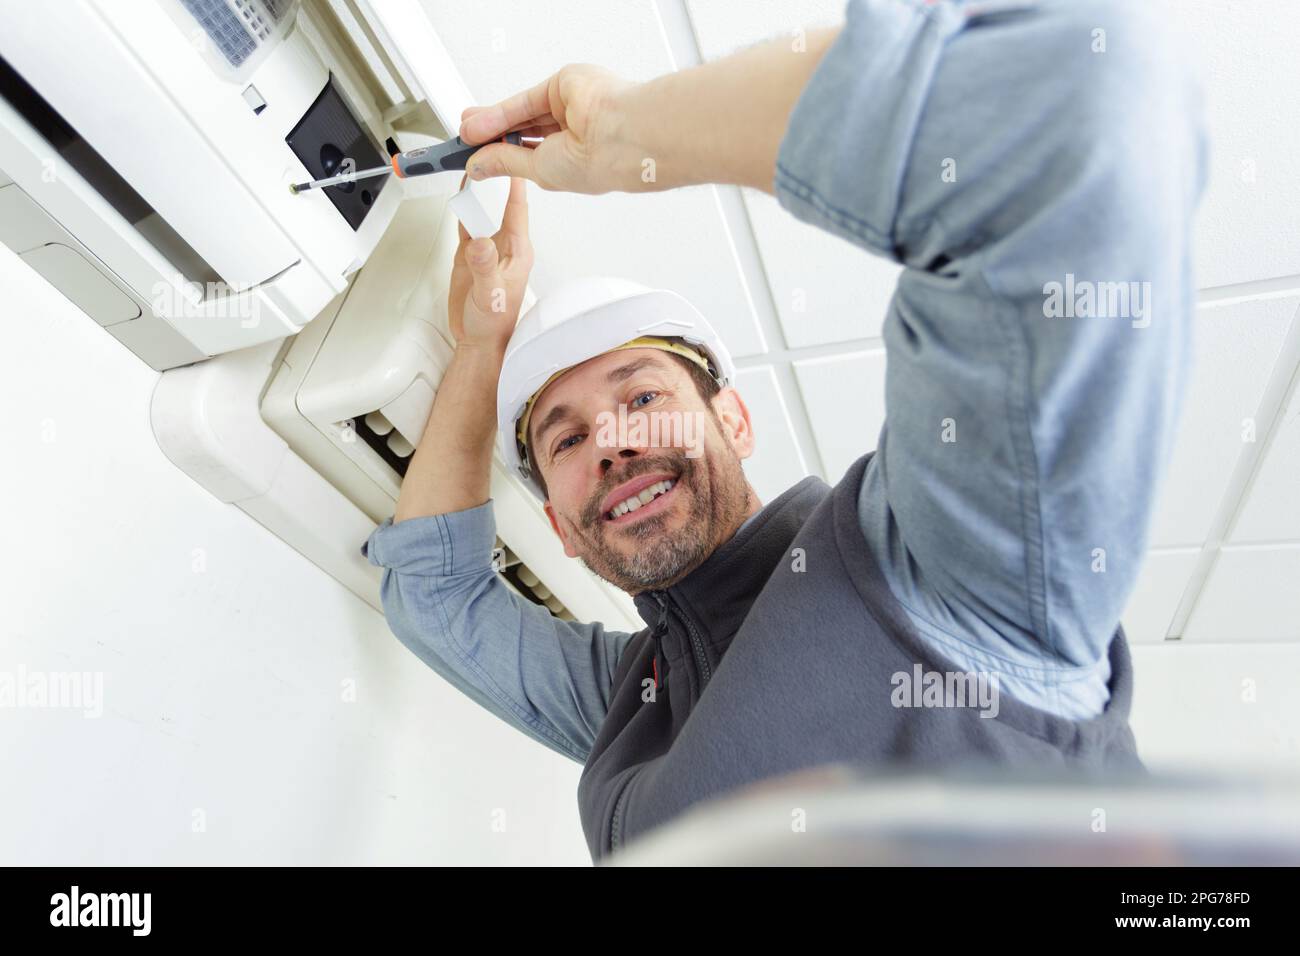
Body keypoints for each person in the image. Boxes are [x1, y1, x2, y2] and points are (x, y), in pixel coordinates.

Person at [361, 0, 1207, 861]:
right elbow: (435, 598)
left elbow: (1070, 107)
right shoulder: (632, 705)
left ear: (733, 418)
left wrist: (626, 134)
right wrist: (484, 343)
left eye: (642, 398)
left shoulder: (927, 566)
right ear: (560, 532)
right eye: (566, 442)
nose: (609, 443)